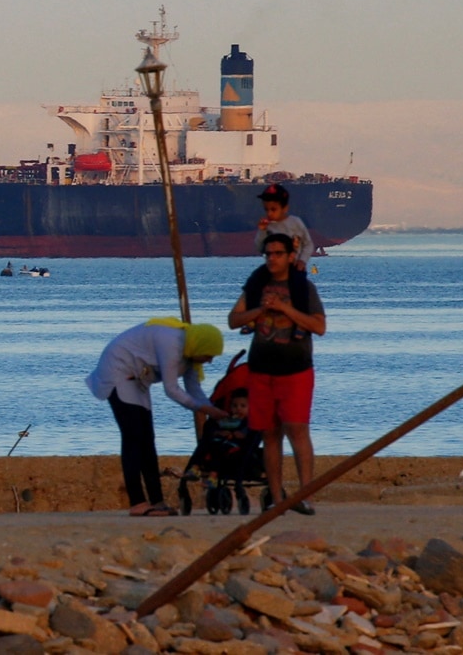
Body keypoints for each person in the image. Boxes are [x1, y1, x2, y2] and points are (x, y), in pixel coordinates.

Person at [86, 319, 228, 516]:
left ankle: (157, 501)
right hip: (118, 372)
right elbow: (171, 389)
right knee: (133, 439)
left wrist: (212, 410)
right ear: (200, 346)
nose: (210, 360)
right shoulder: (171, 343)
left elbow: (194, 389)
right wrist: (203, 408)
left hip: (139, 381)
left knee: (148, 441)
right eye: (209, 355)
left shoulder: (190, 355)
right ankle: (137, 503)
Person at [229, 233, 327, 515]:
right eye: (268, 254)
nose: (272, 258)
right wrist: (261, 309)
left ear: (289, 256)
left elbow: (319, 326)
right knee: (269, 435)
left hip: (295, 371)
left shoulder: (303, 289)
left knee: (297, 431)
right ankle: (275, 497)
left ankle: (306, 495)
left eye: (277, 254)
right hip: (261, 371)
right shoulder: (257, 285)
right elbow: (234, 319)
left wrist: (284, 307)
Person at [254, 183, 314, 272]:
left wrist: (302, 261)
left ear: (285, 208)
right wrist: (262, 230)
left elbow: (308, 244)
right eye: (266, 209)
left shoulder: (295, 222)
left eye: (273, 209)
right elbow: (259, 247)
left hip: (294, 268)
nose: (269, 213)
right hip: (274, 270)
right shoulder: (267, 227)